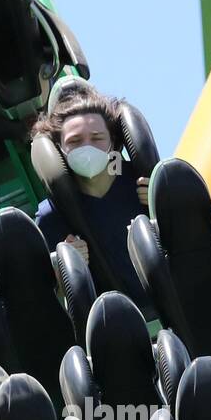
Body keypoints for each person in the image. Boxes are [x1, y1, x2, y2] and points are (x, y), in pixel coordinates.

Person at [31, 84, 150, 306]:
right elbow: (49, 299)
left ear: (113, 142)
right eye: (75, 141)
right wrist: (65, 269)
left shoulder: (144, 183)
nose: (87, 148)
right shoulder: (50, 216)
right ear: (58, 149)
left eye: (97, 138)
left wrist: (163, 205)